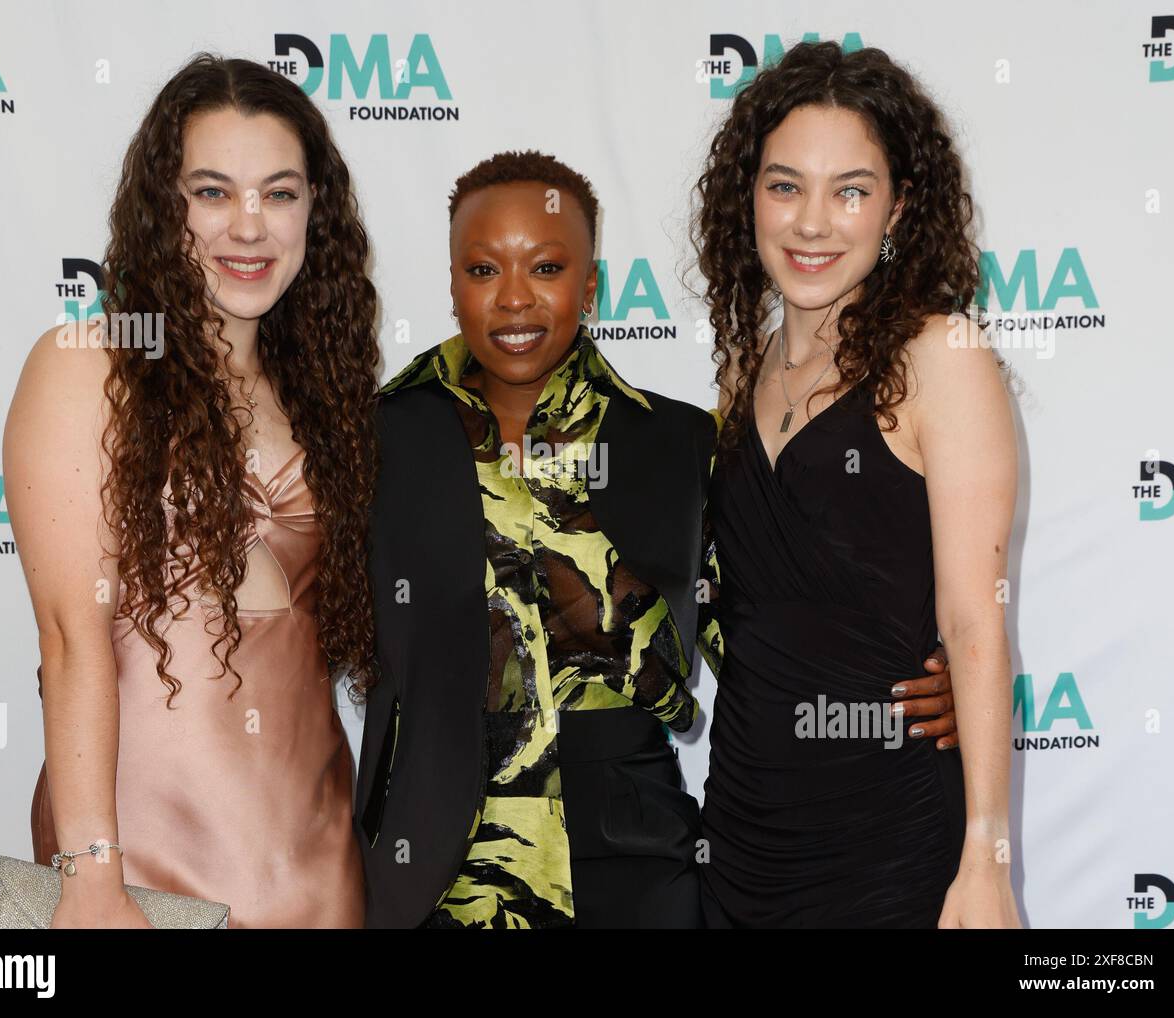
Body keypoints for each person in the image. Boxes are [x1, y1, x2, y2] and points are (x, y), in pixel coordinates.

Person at [355, 150, 960, 929]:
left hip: (633, 853)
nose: (514, 300)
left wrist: (904, 688)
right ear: (451, 284)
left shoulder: (677, 441)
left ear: (591, 285)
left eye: (545, 267)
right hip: (433, 860)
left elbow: (763, 633)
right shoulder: (375, 439)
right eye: (481, 270)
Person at [3, 54, 379, 928]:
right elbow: (69, 635)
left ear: (314, 211)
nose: (249, 227)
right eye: (213, 192)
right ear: (162, 207)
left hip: (313, 845)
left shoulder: (326, 393)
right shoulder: (93, 366)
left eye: (280, 194)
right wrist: (92, 872)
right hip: (143, 854)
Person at [692, 41, 1021, 927]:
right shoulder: (741, 373)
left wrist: (985, 859)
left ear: (898, 207)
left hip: (891, 831)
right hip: (743, 824)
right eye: (785, 184)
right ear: (749, 195)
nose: (812, 224)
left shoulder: (941, 359)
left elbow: (973, 621)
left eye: (851, 190)